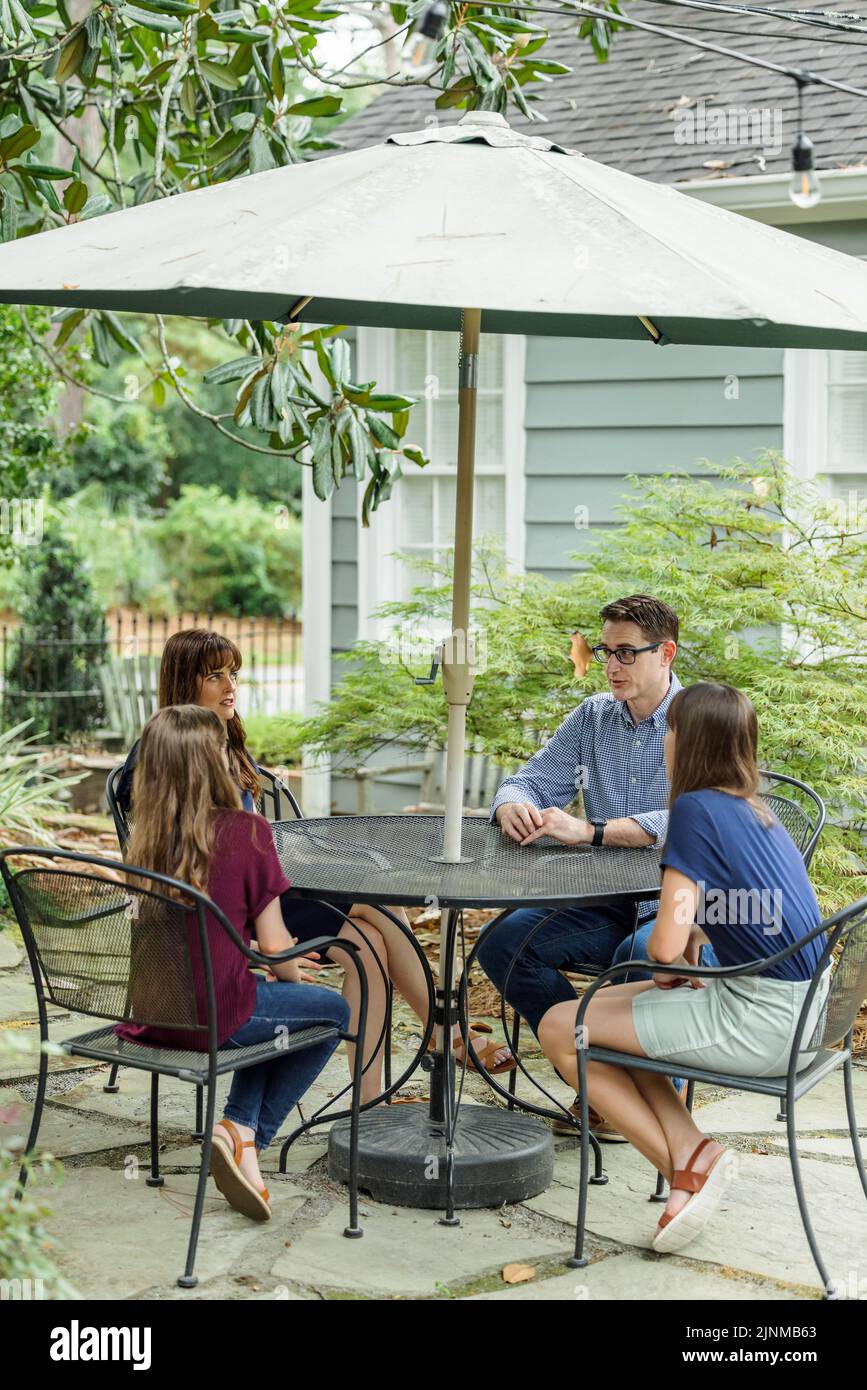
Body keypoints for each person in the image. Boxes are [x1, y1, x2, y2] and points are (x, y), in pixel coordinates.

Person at [117, 629, 513, 1102]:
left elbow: (253, 847)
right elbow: (185, 880)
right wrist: (258, 953)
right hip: (229, 920)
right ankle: (447, 1034)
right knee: (375, 906)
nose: (230, 686)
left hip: (263, 899)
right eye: (215, 675)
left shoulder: (221, 739)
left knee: (369, 941)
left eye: (234, 674)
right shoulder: (166, 755)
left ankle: (370, 1103)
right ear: (185, 682)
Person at [536, 682, 830, 1252]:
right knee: (594, 1015)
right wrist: (691, 939)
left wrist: (672, 956)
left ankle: (686, 1171)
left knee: (560, 1031)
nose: (664, 740)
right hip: (800, 1009)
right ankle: (692, 1147)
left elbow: (664, 946)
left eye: (670, 731)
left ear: (686, 742)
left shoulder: (693, 809)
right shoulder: (754, 809)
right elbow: (743, 909)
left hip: (761, 1020)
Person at [116, 704, 350, 1221]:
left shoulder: (144, 841)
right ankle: (246, 1133)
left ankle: (239, 1133)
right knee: (329, 1012)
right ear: (213, 763)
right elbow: (274, 946)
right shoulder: (246, 832)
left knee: (276, 1012)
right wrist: (290, 969)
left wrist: (266, 972)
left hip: (151, 1018)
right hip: (210, 1021)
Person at [477, 594, 693, 1133]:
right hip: (610, 900)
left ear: (665, 653)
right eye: (604, 652)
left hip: (683, 911)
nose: (612, 665)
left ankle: (654, 1094)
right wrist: (512, 805)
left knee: (634, 955)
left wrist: (591, 831)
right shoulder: (594, 716)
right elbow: (528, 778)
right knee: (505, 944)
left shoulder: (700, 717)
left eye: (626, 653)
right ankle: (601, 1085)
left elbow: (691, 813)